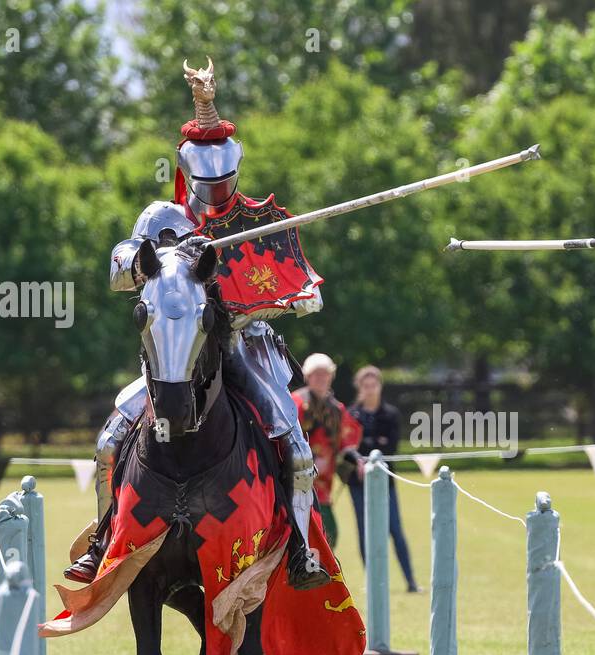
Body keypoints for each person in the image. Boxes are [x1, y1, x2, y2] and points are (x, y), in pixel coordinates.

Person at [65, 57, 330, 590]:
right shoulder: (164, 219)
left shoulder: (256, 222)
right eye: (206, 182)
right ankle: (101, 537)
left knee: (296, 443)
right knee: (110, 440)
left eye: (224, 180)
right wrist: (155, 260)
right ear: (186, 175)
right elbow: (120, 270)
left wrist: (295, 300)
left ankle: (300, 548)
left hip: (241, 347)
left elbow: (291, 284)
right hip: (176, 351)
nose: (216, 192)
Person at [348, 365, 419, 592]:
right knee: (364, 530)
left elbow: (390, 447)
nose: (370, 390)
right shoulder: (350, 415)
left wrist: (368, 449)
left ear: (380, 386)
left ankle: (411, 581)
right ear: (360, 387)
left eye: (374, 385)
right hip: (357, 483)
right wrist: (368, 448)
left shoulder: (390, 415)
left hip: (385, 482)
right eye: (365, 385)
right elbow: (348, 447)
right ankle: (373, 582)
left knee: (395, 530)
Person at [292, 353, 361, 548]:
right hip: (295, 487)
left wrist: (353, 457)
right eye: (316, 374)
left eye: (325, 373)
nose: (321, 378)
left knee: (329, 535)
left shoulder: (336, 408)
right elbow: (285, 439)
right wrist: (309, 462)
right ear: (307, 376)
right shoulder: (295, 403)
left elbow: (347, 437)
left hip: (324, 489)